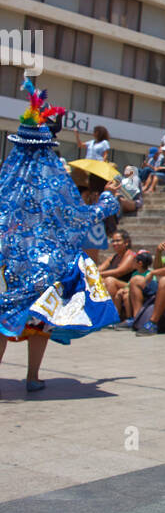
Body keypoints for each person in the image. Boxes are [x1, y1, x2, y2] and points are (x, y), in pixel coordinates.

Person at [0, 81, 120, 393]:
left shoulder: (8, 179)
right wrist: (107, 200)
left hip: (10, 262)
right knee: (39, 325)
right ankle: (32, 377)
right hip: (44, 265)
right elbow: (76, 216)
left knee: (2, 321)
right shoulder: (55, 182)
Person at [98, 229, 138, 301]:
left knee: (110, 280)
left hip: (128, 285)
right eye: (113, 241)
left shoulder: (131, 256)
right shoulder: (113, 257)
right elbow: (98, 269)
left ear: (126, 242)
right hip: (115, 283)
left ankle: (111, 309)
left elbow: (118, 272)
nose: (115, 243)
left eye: (118, 241)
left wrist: (98, 274)